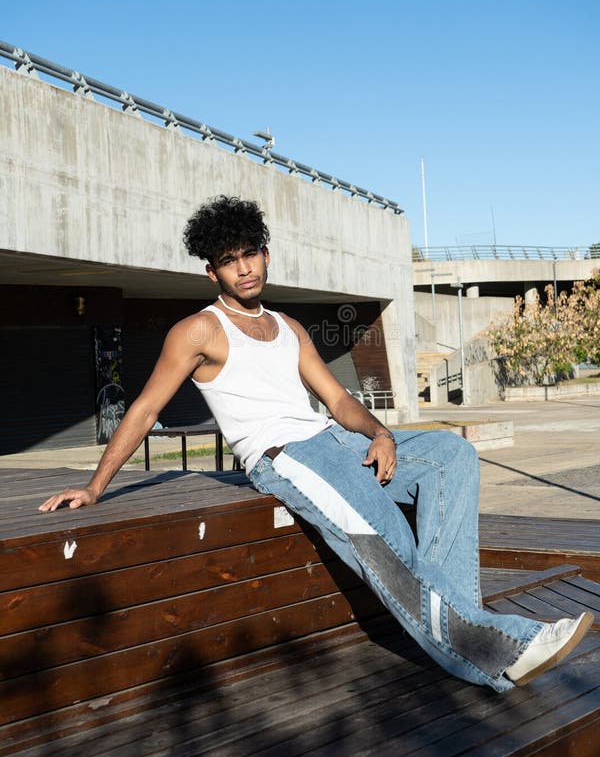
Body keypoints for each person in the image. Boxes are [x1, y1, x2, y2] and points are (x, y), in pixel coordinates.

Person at [40, 195, 592, 691]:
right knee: (387, 533)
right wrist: (94, 487)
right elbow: (145, 408)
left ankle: (469, 631)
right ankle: (502, 648)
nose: (244, 267)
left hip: (331, 438)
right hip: (288, 458)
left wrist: (380, 433)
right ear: (213, 272)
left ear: (266, 254)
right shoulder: (198, 331)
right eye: (230, 260)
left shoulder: (289, 327)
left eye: (251, 252)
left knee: (453, 456)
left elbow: (340, 402)